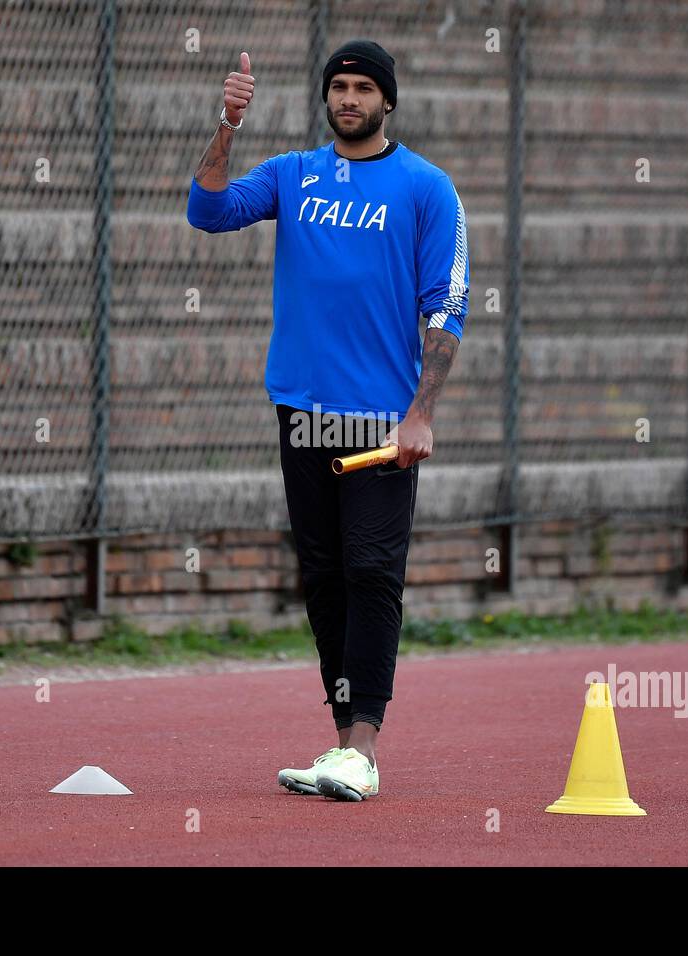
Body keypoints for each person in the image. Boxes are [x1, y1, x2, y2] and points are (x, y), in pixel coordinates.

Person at [186, 39, 470, 801]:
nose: (348, 99)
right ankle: (345, 748)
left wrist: (421, 412)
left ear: (387, 101)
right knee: (325, 580)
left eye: (362, 88)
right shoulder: (294, 174)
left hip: (381, 422)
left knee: (373, 572)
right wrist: (227, 124)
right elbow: (207, 210)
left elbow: (447, 306)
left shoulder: (427, 189)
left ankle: (365, 749)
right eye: (338, 86)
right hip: (301, 413)